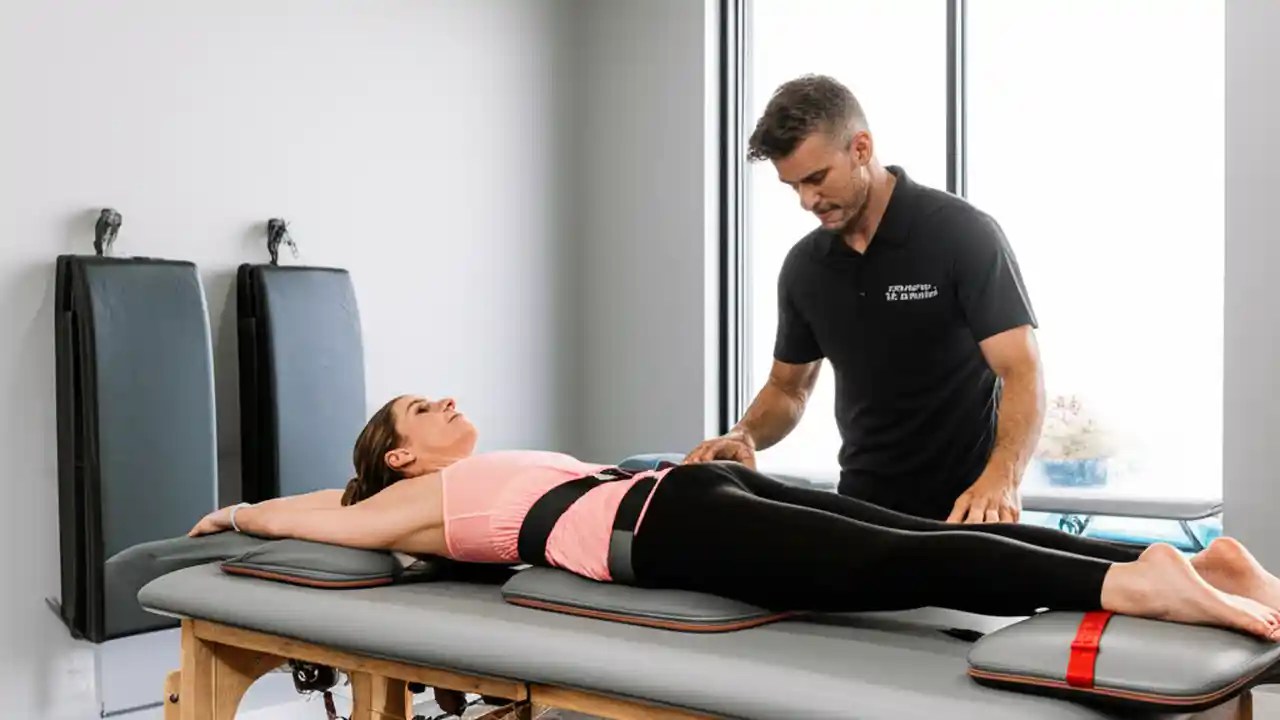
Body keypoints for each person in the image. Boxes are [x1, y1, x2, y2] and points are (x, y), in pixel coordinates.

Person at [190, 394, 1280, 642]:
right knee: (918, 546)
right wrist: (242, 509)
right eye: (423, 409)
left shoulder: (470, 476)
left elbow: (335, 508)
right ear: (396, 456)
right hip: (677, 503)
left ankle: (1140, 578)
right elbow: (327, 518)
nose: (448, 405)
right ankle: (1165, 564)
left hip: (670, 512)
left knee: (905, 558)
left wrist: (247, 502)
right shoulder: (402, 505)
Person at [686, 74, 1043, 524]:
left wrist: (1003, 478)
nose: (807, 200)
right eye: (793, 186)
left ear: (861, 148)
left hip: (968, 512)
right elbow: (787, 389)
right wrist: (745, 434)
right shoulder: (805, 268)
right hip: (862, 512)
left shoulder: (962, 234)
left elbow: (1021, 371)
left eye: (816, 179)